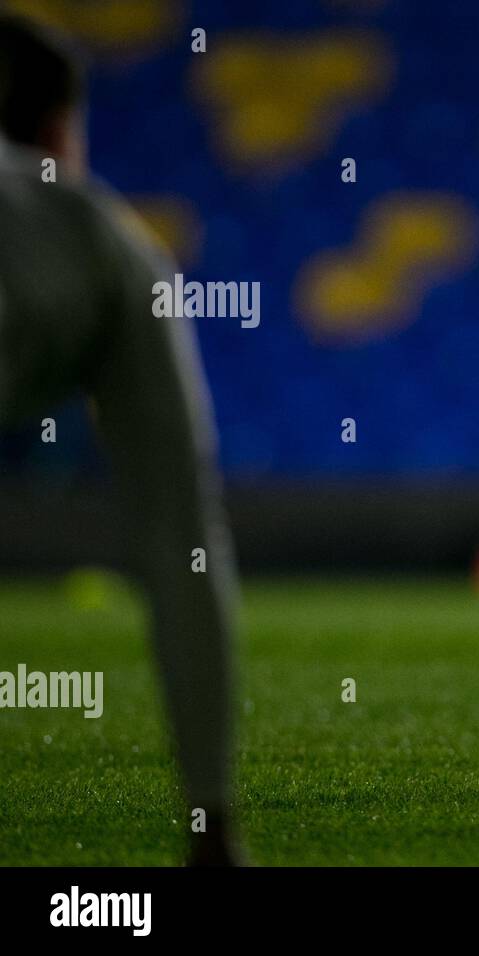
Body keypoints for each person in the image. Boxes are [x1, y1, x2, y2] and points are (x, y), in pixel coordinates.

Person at [0, 14, 242, 858]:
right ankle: (211, 830)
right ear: (62, 127)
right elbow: (185, 540)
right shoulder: (107, 233)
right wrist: (212, 817)